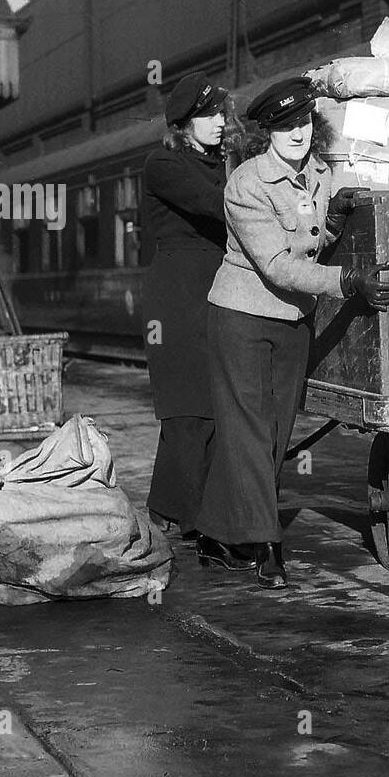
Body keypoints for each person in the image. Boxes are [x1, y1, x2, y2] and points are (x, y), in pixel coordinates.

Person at [194, 76, 389, 589]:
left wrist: (337, 220)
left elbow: (308, 238)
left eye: (303, 122)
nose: (297, 134)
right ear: (267, 134)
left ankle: (216, 535)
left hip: (293, 321)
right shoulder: (245, 183)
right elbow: (278, 265)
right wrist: (349, 281)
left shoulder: (320, 175)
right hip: (241, 316)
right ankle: (268, 544)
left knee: (276, 432)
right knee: (249, 430)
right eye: (285, 126)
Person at [142, 72, 235, 565]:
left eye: (221, 113)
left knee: (210, 403)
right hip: (178, 295)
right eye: (208, 115)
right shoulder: (164, 164)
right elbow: (214, 204)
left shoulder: (219, 162)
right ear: (183, 122)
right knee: (187, 403)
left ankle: (171, 505)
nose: (219, 123)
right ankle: (194, 517)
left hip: (215, 287)